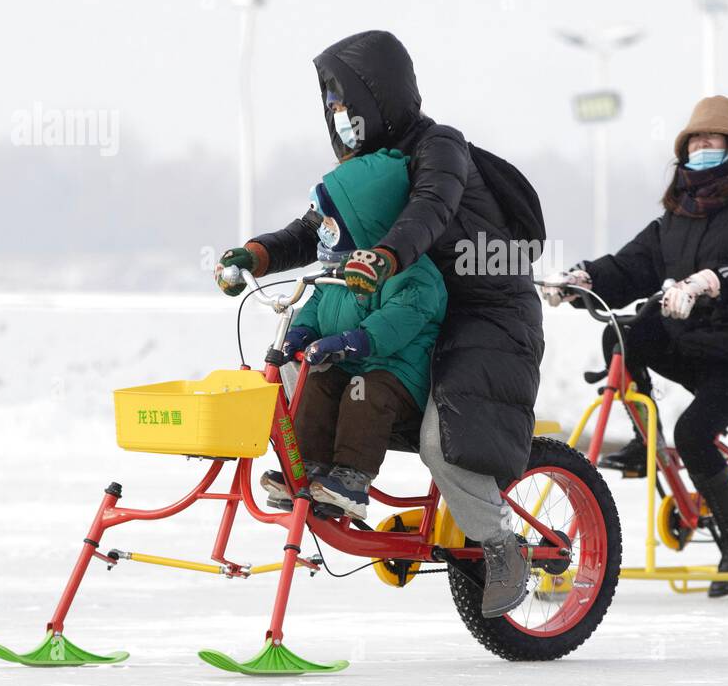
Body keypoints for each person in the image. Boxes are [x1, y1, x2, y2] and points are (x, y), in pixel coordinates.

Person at [214, 30, 546, 618]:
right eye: (331, 105)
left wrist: (386, 256)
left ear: (379, 95)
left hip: (485, 311)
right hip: (397, 298)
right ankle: (322, 475)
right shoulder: (366, 166)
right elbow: (318, 229)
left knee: (444, 440)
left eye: (347, 102)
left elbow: (431, 208)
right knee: (299, 368)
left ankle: (503, 546)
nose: (339, 116)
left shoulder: (440, 146)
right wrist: (258, 253)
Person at [541, 95, 728, 598]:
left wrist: (712, 282)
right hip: (699, 343)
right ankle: (647, 442)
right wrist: (580, 279)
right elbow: (632, 266)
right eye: (695, 141)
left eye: (714, 140)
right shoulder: (677, 215)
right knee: (620, 332)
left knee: (693, 432)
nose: (703, 148)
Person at [242, 149, 445, 521]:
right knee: (317, 381)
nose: (325, 233)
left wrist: (353, 340)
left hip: (397, 377)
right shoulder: (342, 267)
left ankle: (352, 479)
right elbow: (321, 300)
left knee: (362, 392)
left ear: (367, 222)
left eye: (333, 224)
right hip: (353, 364)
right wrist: (302, 333)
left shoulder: (416, 277)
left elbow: (397, 322)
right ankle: (306, 468)